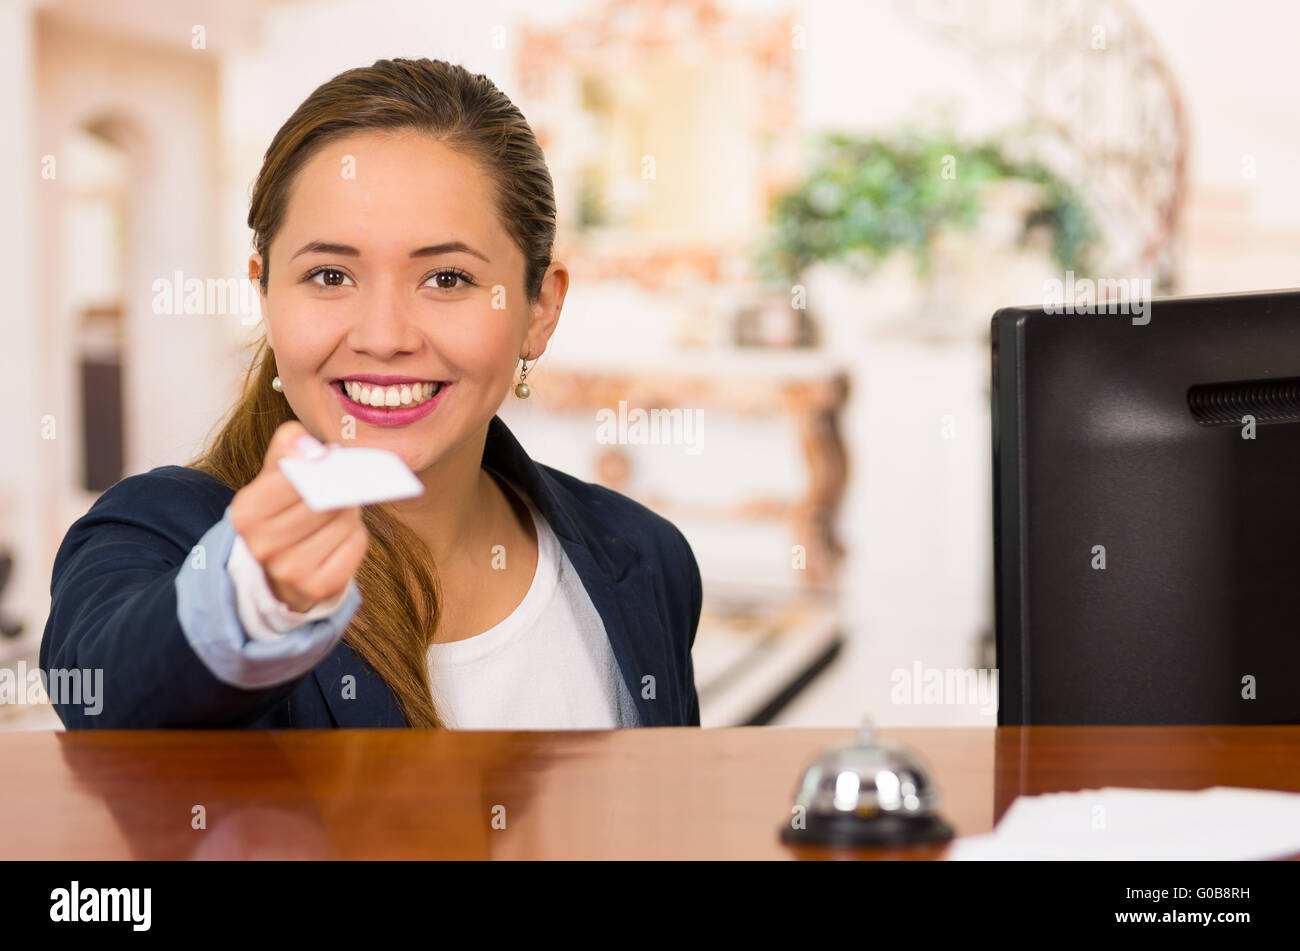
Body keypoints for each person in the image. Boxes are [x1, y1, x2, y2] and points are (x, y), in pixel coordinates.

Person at [40, 57, 702, 730]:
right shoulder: (161, 533)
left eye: (446, 278)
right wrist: (250, 601)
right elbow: (107, 690)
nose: (383, 337)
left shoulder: (646, 555)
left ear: (539, 308)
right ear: (264, 293)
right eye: (329, 274)